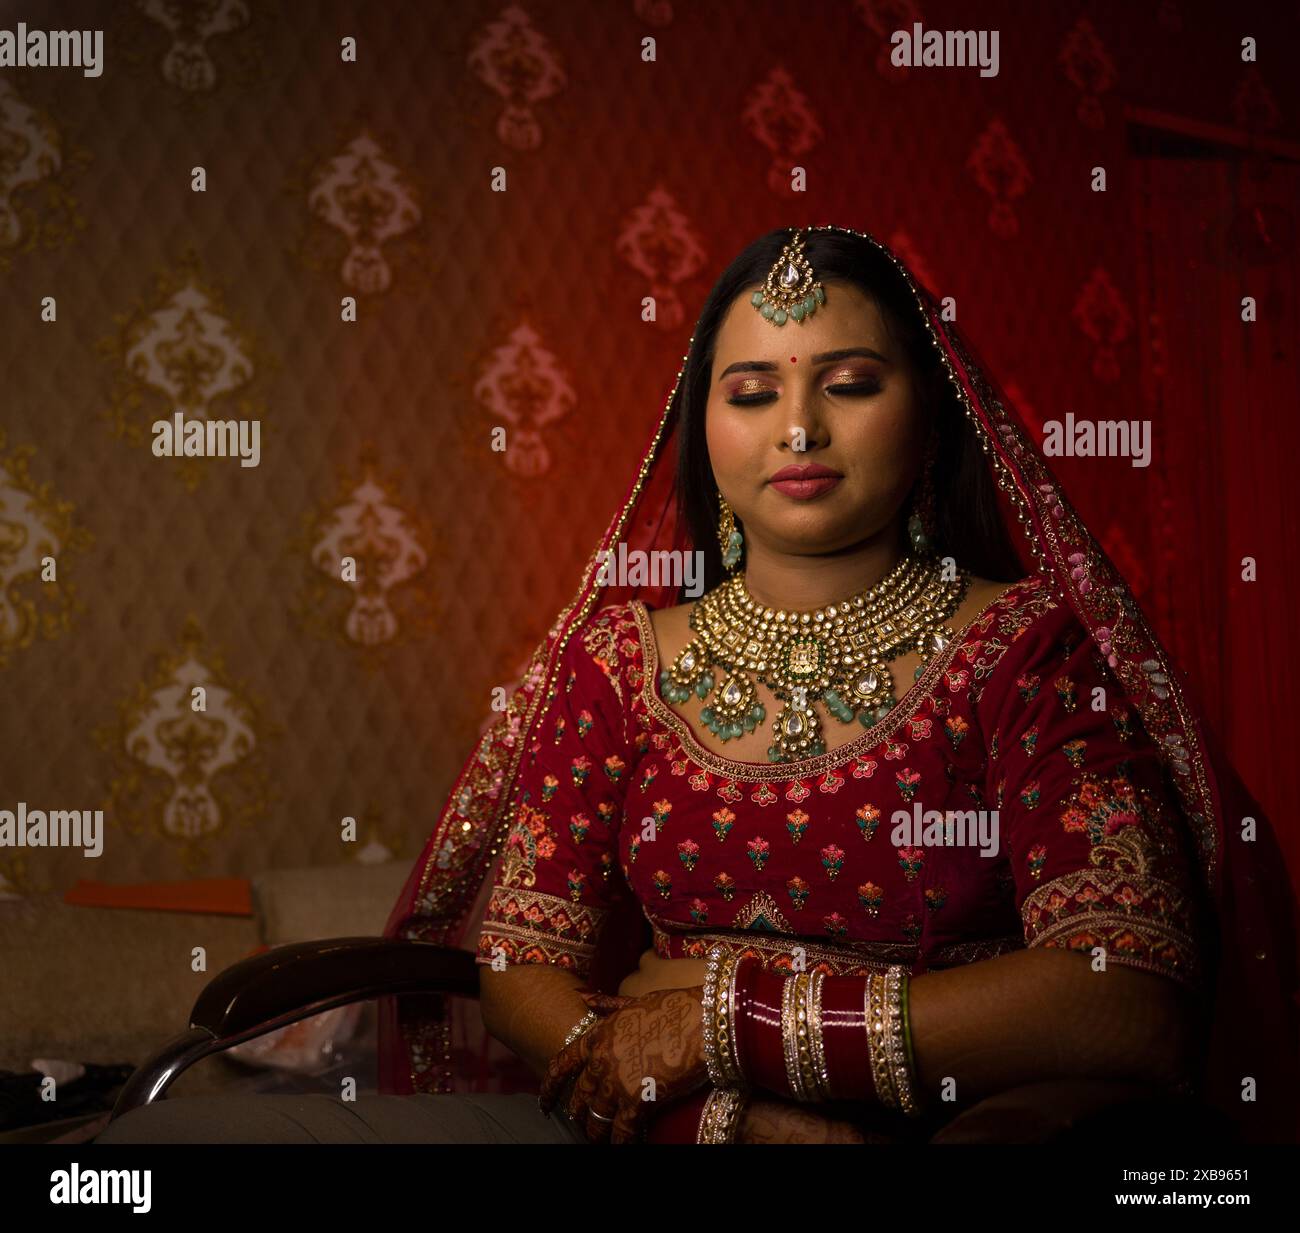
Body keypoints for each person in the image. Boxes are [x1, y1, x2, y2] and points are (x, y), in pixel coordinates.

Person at [97, 225, 1299, 1146]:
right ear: (704, 429)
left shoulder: (1028, 655)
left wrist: (723, 1017)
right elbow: (523, 967)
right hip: (647, 1122)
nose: (797, 430)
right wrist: (719, 1116)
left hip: (941, 1135)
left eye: (848, 382)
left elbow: (1122, 1000)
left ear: (930, 420)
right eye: (752, 390)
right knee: (178, 1141)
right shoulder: (621, 659)